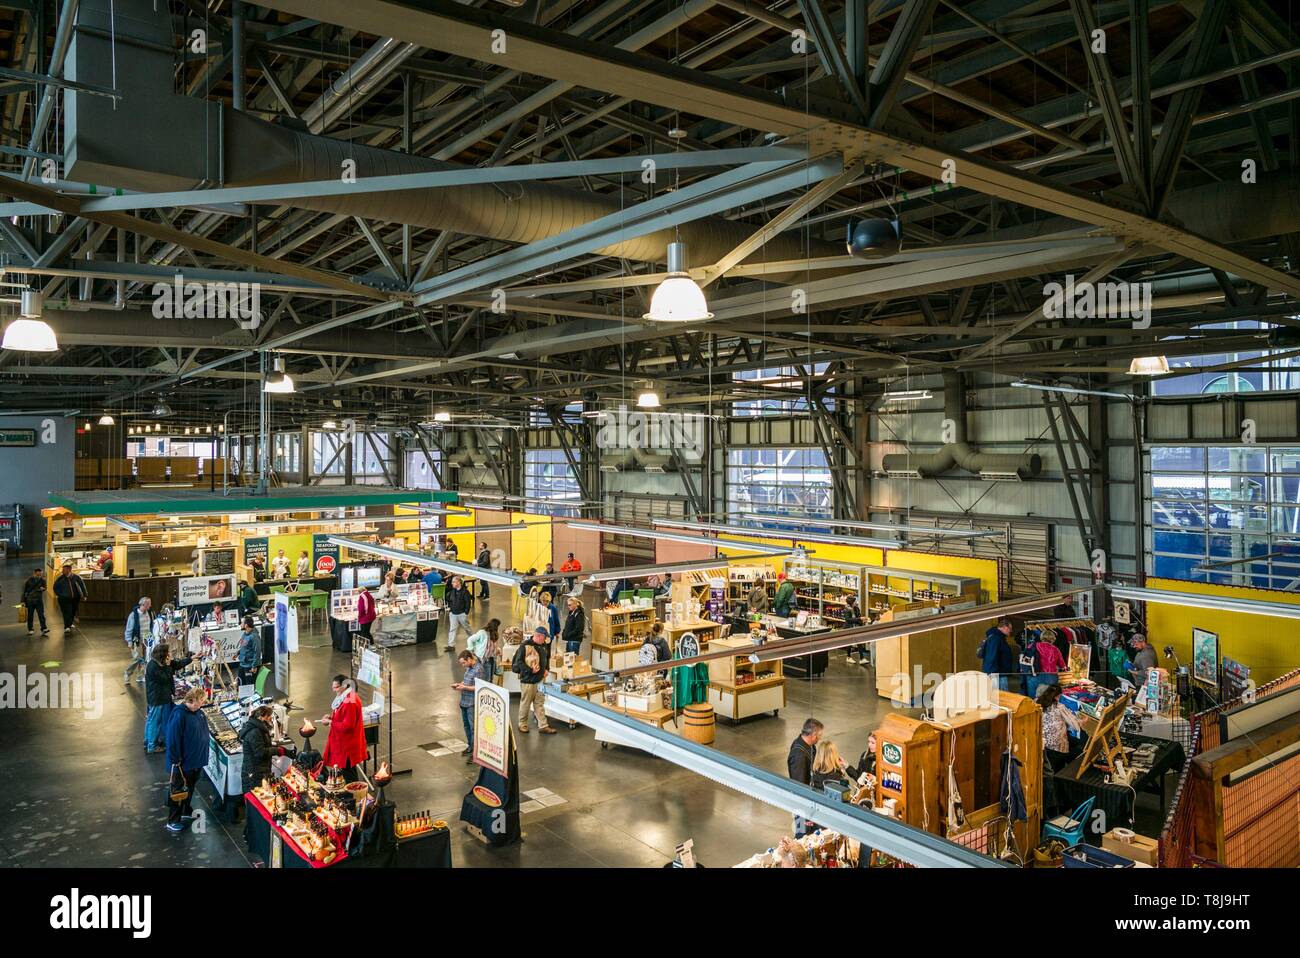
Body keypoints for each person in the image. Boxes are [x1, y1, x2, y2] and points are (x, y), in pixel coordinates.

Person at [164, 687, 210, 832]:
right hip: (183, 763)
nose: (202, 704)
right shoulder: (179, 715)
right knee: (178, 791)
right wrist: (175, 760)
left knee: (190, 788)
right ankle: (173, 819)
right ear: (192, 700)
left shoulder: (198, 712)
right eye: (200, 701)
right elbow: (172, 739)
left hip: (196, 760)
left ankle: (185, 809)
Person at [145, 643, 192, 752]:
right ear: (163, 655)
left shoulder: (160, 663)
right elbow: (166, 677)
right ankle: (152, 746)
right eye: (168, 652)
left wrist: (191, 658)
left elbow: (177, 664)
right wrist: (167, 665)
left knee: (152, 720)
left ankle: (148, 741)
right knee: (154, 722)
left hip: (159, 697)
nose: (170, 654)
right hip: (157, 699)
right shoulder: (153, 667)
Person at [320, 675, 368, 782]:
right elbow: (342, 715)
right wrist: (331, 717)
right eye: (333, 687)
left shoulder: (350, 701)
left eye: (336, 687)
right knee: (348, 770)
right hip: (344, 743)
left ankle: (353, 795)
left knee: (349, 774)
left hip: (347, 746)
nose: (334, 690)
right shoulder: (346, 697)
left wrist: (331, 722)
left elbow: (348, 725)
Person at [513, 627, 556, 734]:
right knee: (526, 703)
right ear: (539, 636)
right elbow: (519, 663)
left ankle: (543, 725)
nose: (545, 640)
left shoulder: (544, 646)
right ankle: (522, 724)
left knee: (539, 703)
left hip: (540, 680)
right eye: (544, 637)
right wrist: (530, 670)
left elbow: (547, 659)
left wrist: (546, 669)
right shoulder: (525, 646)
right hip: (528, 681)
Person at [787, 718, 823, 837]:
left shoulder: (809, 746)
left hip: (808, 801)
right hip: (802, 803)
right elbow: (799, 784)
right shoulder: (799, 756)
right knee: (802, 833)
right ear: (813, 735)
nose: (820, 738)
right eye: (819, 735)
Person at [1036, 683, 1081, 772]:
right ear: (1057, 696)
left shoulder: (1037, 705)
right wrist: (1084, 720)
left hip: (1042, 746)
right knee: (1079, 747)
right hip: (1058, 748)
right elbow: (1076, 725)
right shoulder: (1059, 707)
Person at [239, 705, 279, 793]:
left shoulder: (259, 728)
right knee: (255, 797)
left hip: (259, 769)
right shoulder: (255, 732)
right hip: (255, 772)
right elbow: (260, 752)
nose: (270, 719)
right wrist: (277, 750)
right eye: (268, 717)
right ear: (261, 717)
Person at [454, 650, 484, 762]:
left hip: (472, 703)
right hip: (464, 701)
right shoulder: (469, 668)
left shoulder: (478, 669)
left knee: (473, 728)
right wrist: (460, 684)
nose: (463, 666)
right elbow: (466, 681)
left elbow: (479, 687)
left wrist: (464, 687)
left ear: (469, 659)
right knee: (466, 726)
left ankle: (476, 752)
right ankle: (470, 747)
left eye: (463, 663)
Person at [980, 618, 1017, 691]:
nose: (1011, 631)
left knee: (1000, 698)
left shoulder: (999, 638)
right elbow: (991, 657)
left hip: (999, 674)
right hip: (997, 675)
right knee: (1000, 698)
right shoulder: (995, 638)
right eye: (1010, 628)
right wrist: (992, 675)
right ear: (1004, 627)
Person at [123, 596, 153, 685]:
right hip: (137, 640)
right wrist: (129, 641)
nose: (150, 606)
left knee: (145, 658)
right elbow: (129, 629)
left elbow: (150, 626)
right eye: (149, 604)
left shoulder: (149, 613)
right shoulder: (133, 615)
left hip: (147, 638)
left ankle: (140, 676)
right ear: (143, 604)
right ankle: (127, 673)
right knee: (137, 658)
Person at [1028, 632, 1067, 699]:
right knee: (1049, 697)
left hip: (1035, 674)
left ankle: (1034, 708)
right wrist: (1064, 668)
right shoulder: (1055, 649)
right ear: (1053, 639)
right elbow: (1062, 665)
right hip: (1050, 676)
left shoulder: (1033, 646)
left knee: (1033, 698)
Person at [52, 563, 86, 632]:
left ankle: (70, 623)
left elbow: (82, 585)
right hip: (64, 599)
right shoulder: (60, 579)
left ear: (69, 570)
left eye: (64, 570)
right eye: (62, 569)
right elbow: (55, 587)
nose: (62, 571)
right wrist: (60, 594)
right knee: (66, 612)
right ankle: (66, 626)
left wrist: (85, 595)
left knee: (72, 612)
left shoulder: (76, 577)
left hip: (75, 598)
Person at [445, 575, 472, 650]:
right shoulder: (453, 590)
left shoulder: (465, 592)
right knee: (452, 629)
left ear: (458, 582)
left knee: (467, 629)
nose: (452, 583)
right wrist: (450, 609)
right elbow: (450, 599)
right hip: (453, 614)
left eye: (454, 582)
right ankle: (451, 645)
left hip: (461, 614)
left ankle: (473, 641)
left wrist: (466, 613)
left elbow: (468, 602)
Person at [22, 567, 48, 636]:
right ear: (35, 573)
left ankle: (44, 628)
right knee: (30, 615)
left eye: (40, 574)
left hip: (39, 600)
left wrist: (43, 589)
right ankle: (30, 629)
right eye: (38, 574)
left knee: (41, 615)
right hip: (30, 600)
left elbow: (45, 587)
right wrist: (23, 601)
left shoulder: (42, 580)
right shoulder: (29, 580)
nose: (39, 575)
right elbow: (24, 591)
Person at [237, 616, 262, 686]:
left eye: (241, 623)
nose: (240, 624)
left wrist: (254, 666)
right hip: (242, 664)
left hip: (250, 666)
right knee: (240, 683)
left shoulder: (254, 636)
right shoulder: (245, 634)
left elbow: (257, 652)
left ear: (246, 625)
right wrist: (238, 653)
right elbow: (244, 647)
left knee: (249, 686)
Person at [842, 594, 865, 664]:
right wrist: (859, 619)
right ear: (851, 602)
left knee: (859, 642)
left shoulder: (857, 608)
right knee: (849, 643)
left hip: (856, 627)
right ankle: (848, 657)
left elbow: (858, 616)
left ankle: (862, 658)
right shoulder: (846, 610)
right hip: (849, 628)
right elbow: (848, 620)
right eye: (855, 601)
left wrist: (862, 620)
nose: (856, 602)